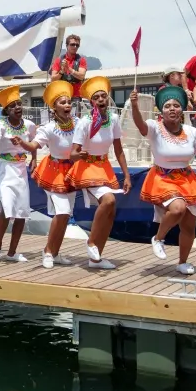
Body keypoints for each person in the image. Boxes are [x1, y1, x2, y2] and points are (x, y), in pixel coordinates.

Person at [132, 86, 196, 275]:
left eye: (176, 106)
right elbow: (140, 125)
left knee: (189, 226)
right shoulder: (154, 128)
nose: (172, 109)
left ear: (182, 109)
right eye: (167, 106)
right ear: (162, 111)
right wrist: (135, 106)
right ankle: (158, 238)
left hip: (186, 178)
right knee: (178, 208)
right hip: (163, 177)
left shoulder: (193, 133)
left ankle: (182, 262)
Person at [67, 76, 132, 270]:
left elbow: (118, 150)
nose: (101, 99)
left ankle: (95, 260)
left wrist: (127, 175)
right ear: (91, 102)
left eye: (104, 96)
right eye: (97, 97)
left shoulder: (113, 119)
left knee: (111, 211)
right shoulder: (85, 122)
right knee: (109, 200)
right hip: (87, 167)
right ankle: (91, 243)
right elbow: (73, 154)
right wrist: (80, 154)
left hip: (104, 167)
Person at [14, 81, 77, 268]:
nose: (67, 105)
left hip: (72, 172)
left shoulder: (79, 124)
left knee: (66, 215)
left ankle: (55, 253)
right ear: (54, 108)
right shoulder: (48, 128)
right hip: (55, 172)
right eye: (62, 102)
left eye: (69, 102)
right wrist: (23, 144)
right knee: (62, 211)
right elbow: (34, 145)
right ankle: (48, 251)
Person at [0, 86, 36, 263]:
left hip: (21, 169)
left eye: (19, 104)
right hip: (5, 169)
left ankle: (12, 252)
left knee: (22, 210)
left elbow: (34, 143)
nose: (17, 107)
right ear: (6, 110)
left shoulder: (29, 125)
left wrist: (34, 159)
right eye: (13, 105)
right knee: (6, 206)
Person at [50, 34, 87, 105]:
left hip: (76, 96)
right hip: (62, 96)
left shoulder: (81, 60)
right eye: (72, 44)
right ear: (67, 45)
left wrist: (69, 69)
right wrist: (61, 72)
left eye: (77, 45)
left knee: (75, 113)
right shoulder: (58, 60)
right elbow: (53, 79)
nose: (75, 47)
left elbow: (81, 76)